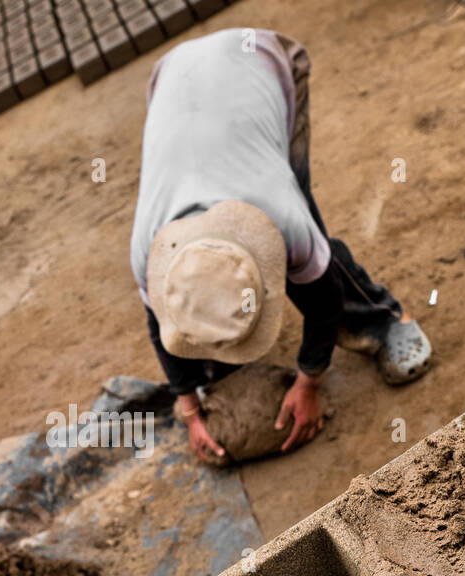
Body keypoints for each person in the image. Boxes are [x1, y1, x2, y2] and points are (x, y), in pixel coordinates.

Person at [130, 28, 433, 464]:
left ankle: (382, 318)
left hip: (261, 62)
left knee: (311, 235)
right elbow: (157, 328)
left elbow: (323, 296)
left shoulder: (281, 219)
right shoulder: (148, 253)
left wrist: (308, 382)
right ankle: (227, 337)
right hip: (174, 78)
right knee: (221, 326)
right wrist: (191, 411)